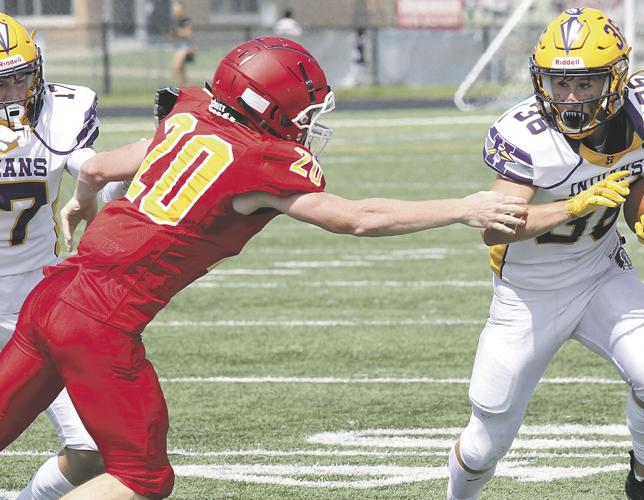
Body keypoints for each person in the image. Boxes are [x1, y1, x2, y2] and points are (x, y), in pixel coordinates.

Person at [0, 37, 527, 499]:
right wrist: (464, 207)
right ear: (271, 108)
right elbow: (357, 219)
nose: (308, 125)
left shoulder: (189, 110)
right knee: (142, 477)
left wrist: (85, 201)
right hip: (98, 324)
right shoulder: (260, 161)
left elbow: (95, 167)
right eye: (304, 114)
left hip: (51, 294)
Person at [447, 7, 644, 500]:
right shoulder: (529, 138)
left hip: (601, 271)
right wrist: (575, 204)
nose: (568, 97)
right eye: (558, 82)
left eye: (584, 84)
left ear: (616, 78)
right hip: (528, 295)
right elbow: (496, 231)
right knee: (483, 446)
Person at [0, 12, 138, 499]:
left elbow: (95, 168)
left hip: (34, 309)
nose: (16, 93)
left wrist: (171, 140)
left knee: (90, 450)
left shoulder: (58, 114)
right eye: (2, 84)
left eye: (21, 77)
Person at [170, 1, 194, 88]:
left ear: (182, 8)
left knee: (175, 68)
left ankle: (181, 88)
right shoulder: (175, 21)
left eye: (177, 7)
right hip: (178, 46)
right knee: (181, 69)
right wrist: (173, 35)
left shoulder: (185, 20)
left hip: (185, 47)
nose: (175, 9)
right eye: (174, 7)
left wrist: (178, 32)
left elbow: (188, 33)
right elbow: (173, 37)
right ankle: (185, 89)